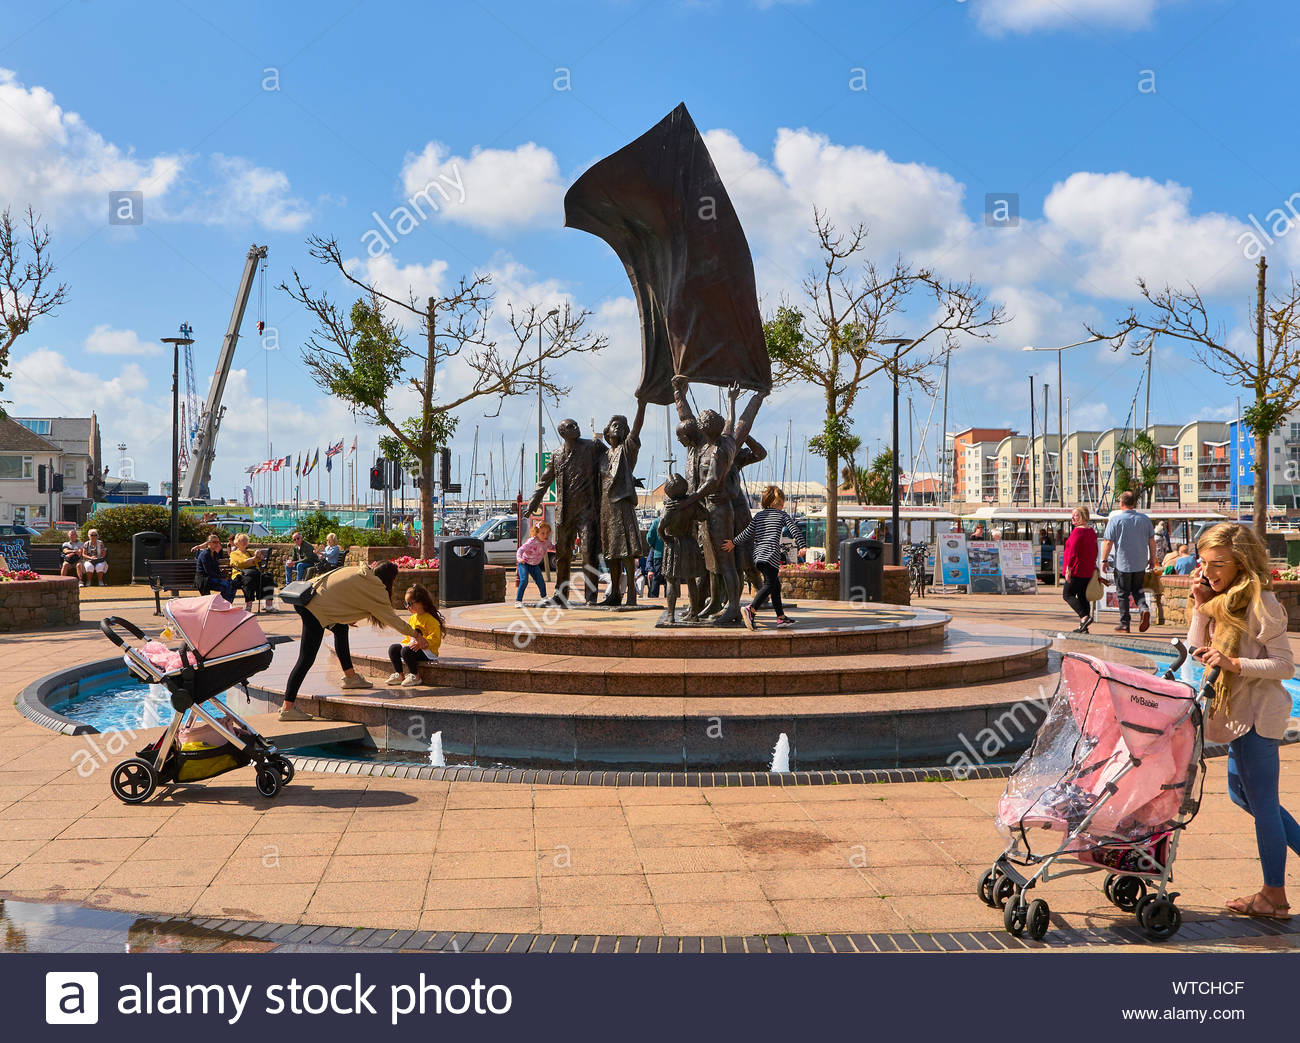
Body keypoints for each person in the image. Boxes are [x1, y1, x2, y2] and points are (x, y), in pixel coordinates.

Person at [1188, 523, 1299, 921]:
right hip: (1237, 716)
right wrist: (1200, 607)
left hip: (1257, 716)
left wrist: (1235, 663)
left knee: (1264, 805)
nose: (1209, 571)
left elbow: (1285, 665)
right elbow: (1191, 650)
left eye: (1218, 564)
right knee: (1243, 795)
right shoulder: (1221, 601)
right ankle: (1274, 892)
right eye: (1204, 562)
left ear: (1241, 562)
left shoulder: (1261, 602)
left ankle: (1274, 896)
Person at [279, 560, 426, 721]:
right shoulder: (376, 589)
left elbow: (341, 591)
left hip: (307, 596)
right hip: (313, 608)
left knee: (341, 629)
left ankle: (350, 678)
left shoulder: (361, 572)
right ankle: (288, 707)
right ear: (390, 579)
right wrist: (417, 636)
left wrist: (344, 615)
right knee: (306, 659)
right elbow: (393, 620)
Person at [524, 418, 604, 607]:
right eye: (570, 426)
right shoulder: (556, 455)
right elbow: (544, 481)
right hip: (566, 512)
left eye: (576, 424)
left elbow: (613, 461)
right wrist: (532, 503)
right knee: (562, 556)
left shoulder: (592, 447)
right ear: (562, 433)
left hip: (587, 511)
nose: (575, 427)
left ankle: (591, 597)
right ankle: (560, 595)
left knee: (588, 553)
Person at [723, 484, 806, 630]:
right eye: (782, 503)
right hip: (771, 555)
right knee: (769, 584)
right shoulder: (782, 515)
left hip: (759, 556)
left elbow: (747, 533)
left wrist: (733, 542)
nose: (782, 506)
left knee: (775, 585)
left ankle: (780, 617)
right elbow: (794, 529)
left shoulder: (759, 515)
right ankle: (751, 609)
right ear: (778, 503)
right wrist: (802, 545)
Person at [598, 404, 650, 606]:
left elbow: (636, 429)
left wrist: (641, 405)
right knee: (611, 554)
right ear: (607, 431)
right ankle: (614, 595)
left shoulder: (626, 451)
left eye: (622, 426)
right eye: (614, 425)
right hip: (606, 509)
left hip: (622, 507)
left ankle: (631, 596)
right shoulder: (603, 456)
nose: (618, 428)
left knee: (627, 552)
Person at [1100, 490, 1158, 633]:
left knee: (1122, 593)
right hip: (1140, 563)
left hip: (1123, 563)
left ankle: (1125, 624)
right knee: (1138, 590)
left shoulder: (1116, 520)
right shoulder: (1145, 519)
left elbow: (1108, 542)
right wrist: (1152, 559)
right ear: (1134, 503)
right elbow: (1152, 541)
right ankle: (1143, 608)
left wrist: (1104, 560)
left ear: (1121, 503)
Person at [659, 474, 710, 621]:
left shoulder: (669, 507)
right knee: (691, 580)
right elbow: (704, 515)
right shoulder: (690, 504)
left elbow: (661, 527)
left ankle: (670, 615)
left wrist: (665, 539)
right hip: (689, 542)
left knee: (671, 581)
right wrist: (692, 501)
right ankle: (694, 614)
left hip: (673, 544)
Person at [386, 582, 443, 687]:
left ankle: (415, 676)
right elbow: (409, 637)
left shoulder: (430, 620)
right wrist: (406, 643)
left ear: (421, 602)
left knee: (406, 651)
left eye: (410, 604)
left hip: (428, 652)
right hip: (414, 648)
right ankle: (399, 674)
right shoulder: (412, 618)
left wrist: (423, 644)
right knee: (394, 648)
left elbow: (436, 640)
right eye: (405, 604)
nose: (407, 607)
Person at [1060, 506, 1098, 634]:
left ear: (1083, 516)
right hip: (1087, 569)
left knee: (1067, 594)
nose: (1073, 518)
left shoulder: (1077, 532)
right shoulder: (1092, 532)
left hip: (1076, 569)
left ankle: (1084, 617)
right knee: (1082, 596)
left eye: (1076, 515)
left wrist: (1068, 569)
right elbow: (1095, 551)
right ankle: (1084, 627)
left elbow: (1072, 552)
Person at [229, 532, 275, 613]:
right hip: (240, 574)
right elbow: (240, 563)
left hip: (254, 572)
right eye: (242, 541)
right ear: (237, 543)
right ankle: (248, 606)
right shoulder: (234, 553)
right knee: (249, 580)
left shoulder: (250, 552)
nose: (244, 542)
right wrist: (253, 558)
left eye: (245, 540)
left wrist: (259, 556)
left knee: (268, 578)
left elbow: (259, 559)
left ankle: (269, 606)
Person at [516, 521, 556, 607]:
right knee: (524, 581)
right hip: (524, 563)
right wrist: (519, 558)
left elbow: (553, 547)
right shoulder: (531, 542)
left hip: (534, 565)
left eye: (547, 533)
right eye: (542, 533)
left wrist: (560, 546)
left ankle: (544, 598)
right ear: (536, 533)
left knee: (540, 581)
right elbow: (520, 550)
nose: (545, 535)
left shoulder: (547, 542)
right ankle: (518, 601)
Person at [194, 534, 235, 601]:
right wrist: (221, 577)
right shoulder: (205, 554)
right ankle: (223, 604)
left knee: (233, 585)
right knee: (227, 585)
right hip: (204, 580)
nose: (217, 544)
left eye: (218, 542)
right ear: (209, 543)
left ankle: (224, 605)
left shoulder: (214, 554)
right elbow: (208, 571)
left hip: (212, 578)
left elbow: (216, 568)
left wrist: (222, 576)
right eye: (214, 542)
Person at [644, 512, 664, 597]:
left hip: (659, 553)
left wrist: (654, 545)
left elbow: (649, 537)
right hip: (673, 553)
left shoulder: (657, 521)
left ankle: (654, 597)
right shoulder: (675, 519)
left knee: (656, 578)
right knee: (672, 580)